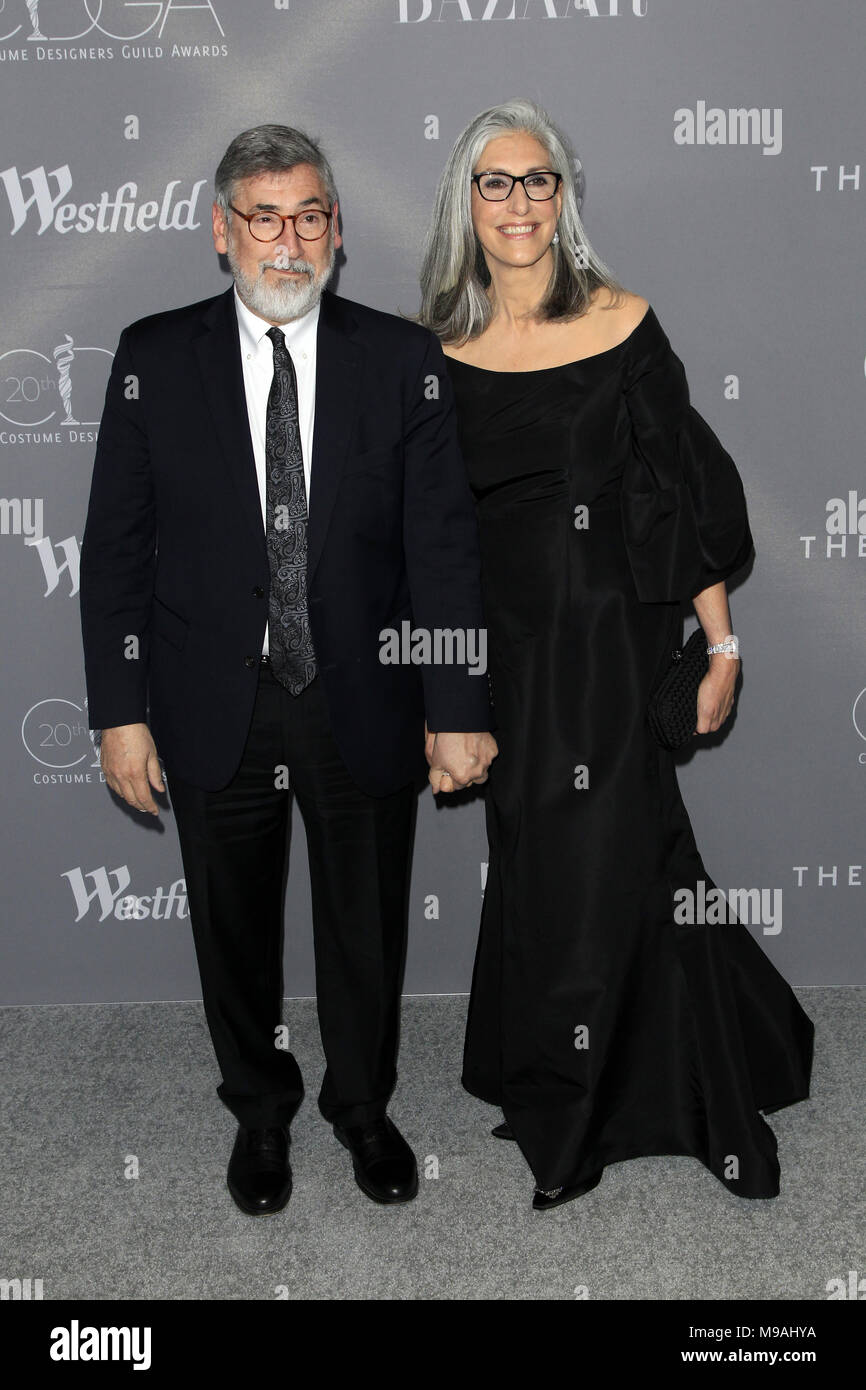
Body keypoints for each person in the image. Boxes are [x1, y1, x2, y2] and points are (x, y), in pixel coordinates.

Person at [80, 124, 496, 1216]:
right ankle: (259, 1112)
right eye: (262, 217)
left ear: (338, 231)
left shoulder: (400, 361)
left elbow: (443, 550)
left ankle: (362, 1107)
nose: (286, 239)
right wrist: (120, 712)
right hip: (212, 698)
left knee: (365, 923)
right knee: (233, 926)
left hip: (360, 693)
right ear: (222, 231)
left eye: (308, 215)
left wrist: (455, 704)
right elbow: (116, 550)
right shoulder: (152, 358)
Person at [417, 98, 814, 1210]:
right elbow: (429, 538)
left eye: (536, 180)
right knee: (541, 867)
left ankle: (621, 1104)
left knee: (620, 855)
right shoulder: (437, 353)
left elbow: (680, 491)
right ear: (468, 201)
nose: (518, 202)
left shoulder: (624, 322)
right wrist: (440, 688)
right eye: (495, 182)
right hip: (508, 652)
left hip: (611, 641)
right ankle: (562, 1071)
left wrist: (719, 640)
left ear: (561, 197)